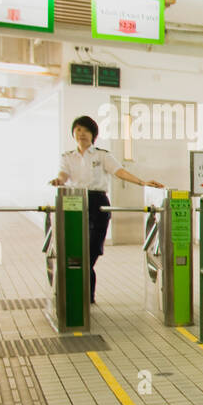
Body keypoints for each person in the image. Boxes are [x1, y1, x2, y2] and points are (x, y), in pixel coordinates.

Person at [49, 115, 164, 304]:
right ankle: (85, 296)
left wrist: (142, 182)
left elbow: (119, 171)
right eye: (78, 130)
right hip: (74, 203)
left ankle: (82, 293)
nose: (82, 134)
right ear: (73, 133)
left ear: (93, 134)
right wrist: (58, 181)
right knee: (77, 250)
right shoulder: (67, 157)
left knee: (91, 250)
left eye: (86, 130)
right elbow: (63, 174)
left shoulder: (101, 155)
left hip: (98, 203)